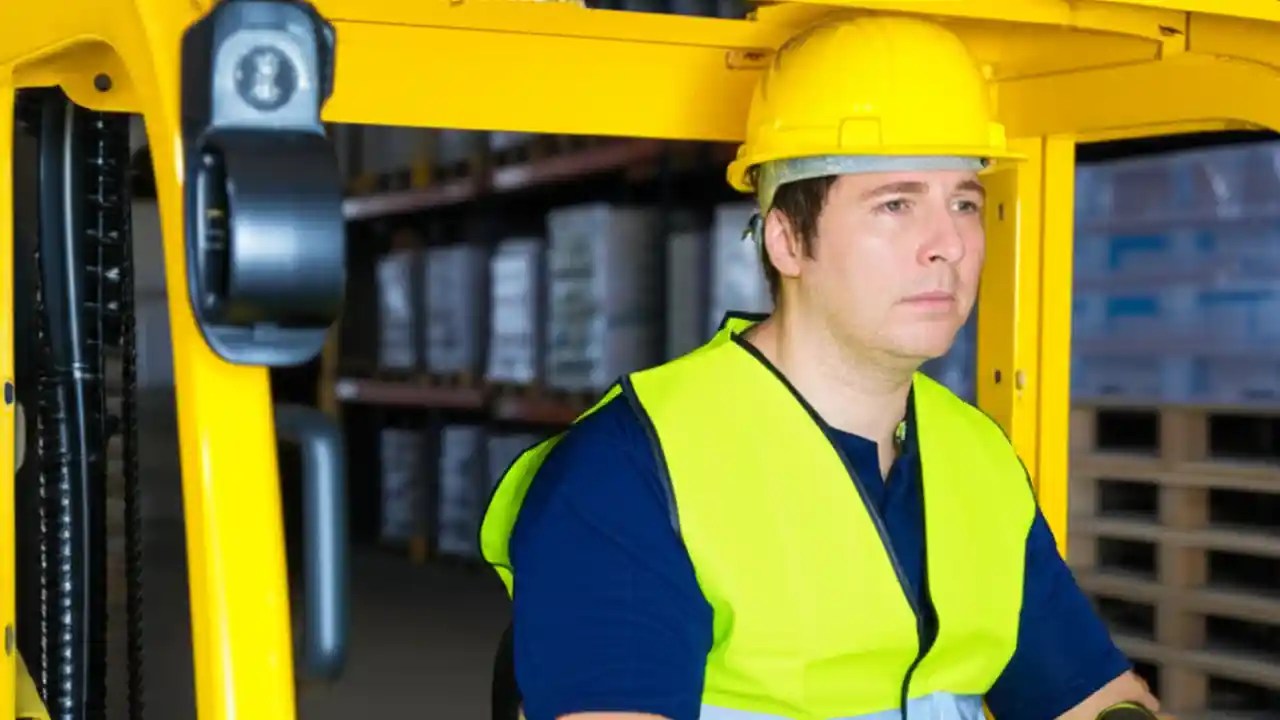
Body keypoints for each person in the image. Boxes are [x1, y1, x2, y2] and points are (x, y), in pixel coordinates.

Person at [479, 13, 1162, 720]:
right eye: (896, 204)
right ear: (786, 241)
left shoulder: (976, 459)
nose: (949, 244)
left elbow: (1093, 699)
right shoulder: (634, 467)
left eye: (964, 202)